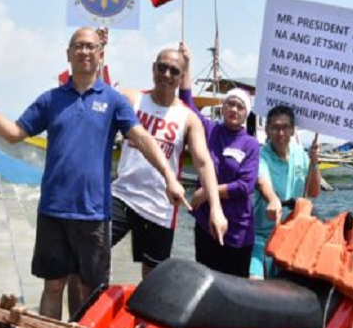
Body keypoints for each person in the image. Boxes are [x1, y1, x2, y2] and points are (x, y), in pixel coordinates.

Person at [0, 28, 190, 326]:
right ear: (68, 54)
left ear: (100, 54)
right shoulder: (50, 100)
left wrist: (169, 177)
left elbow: (142, 138)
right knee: (53, 286)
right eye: (79, 46)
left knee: (91, 291)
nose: (84, 51)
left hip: (94, 213)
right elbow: (13, 133)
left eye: (90, 46)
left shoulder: (114, 101)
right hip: (53, 209)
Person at [112, 47, 228, 277]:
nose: (166, 75)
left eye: (174, 71)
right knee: (91, 253)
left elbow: (203, 162)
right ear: (153, 68)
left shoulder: (189, 118)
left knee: (153, 279)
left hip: (160, 206)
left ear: (181, 76)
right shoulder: (132, 99)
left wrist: (216, 208)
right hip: (122, 195)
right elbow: (96, 94)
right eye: (162, 68)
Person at [178, 42, 260, 277]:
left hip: (238, 232)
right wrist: (186, 65)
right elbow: (187, 104)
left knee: (235, 289)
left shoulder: (251, 144)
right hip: (206, 225)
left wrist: (207, 192)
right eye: (230, 104)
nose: (234, 109)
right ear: (223, 108)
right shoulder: (209, 130)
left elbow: (245, 186)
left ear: (246, 113)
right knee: (204, 282)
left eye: (240, 107)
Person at [250, 105, 322, 279]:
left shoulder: (300, 154)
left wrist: (314, 163)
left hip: (292, 236)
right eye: (275, 127)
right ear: (267, 130)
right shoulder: (261, 156)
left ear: (292, 130)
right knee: (255, 281)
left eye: (285, 127)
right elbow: (262, 181)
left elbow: (313, 192)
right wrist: (273, 199)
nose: (280, 133)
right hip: (262, 236)